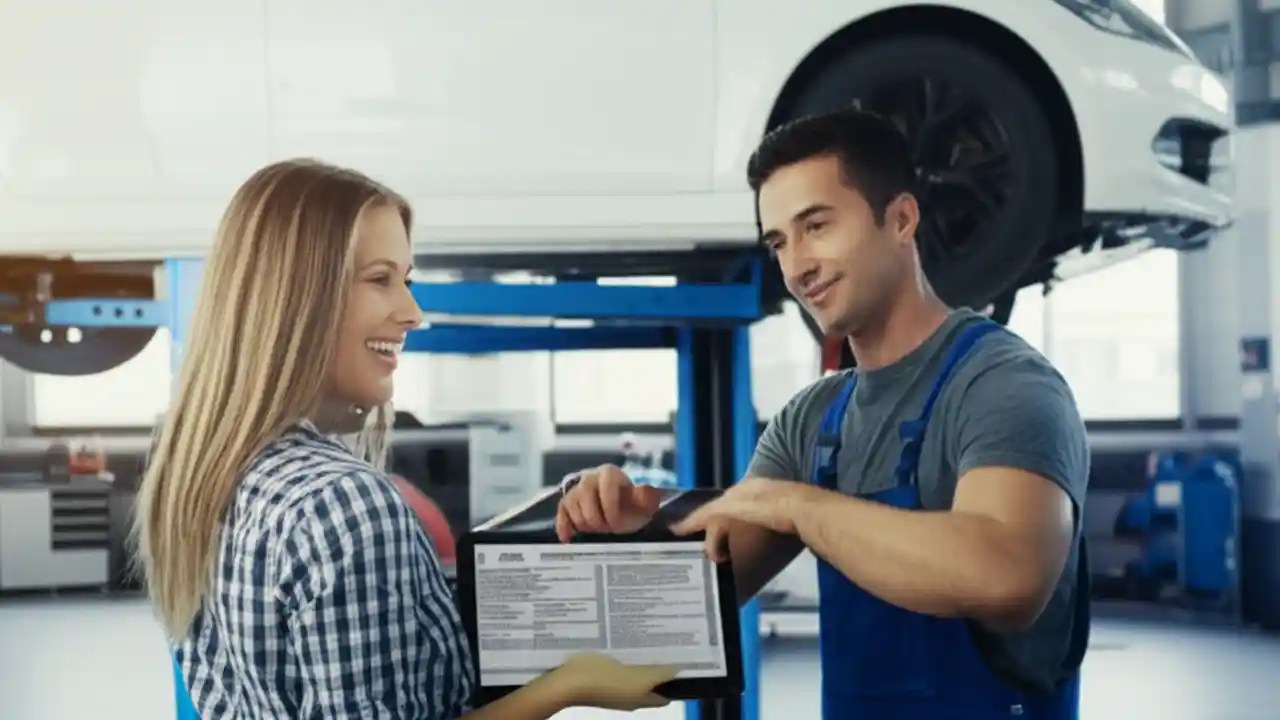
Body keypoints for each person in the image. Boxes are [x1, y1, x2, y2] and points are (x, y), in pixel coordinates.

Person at [555, 108, 1091, 719]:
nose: (796, 266)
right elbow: (704, 589)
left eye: (817, 226)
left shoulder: (1003, 384)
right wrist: (629, 532)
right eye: (779, 242)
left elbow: (1007, 577)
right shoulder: (812, 420)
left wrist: (795, 506)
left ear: (901, 219)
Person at [132, 158, 676, 719]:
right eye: (380, 279)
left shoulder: (197, 481)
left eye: (407, 280)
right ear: (297, 296)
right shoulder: (343, 503)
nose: (412, 312)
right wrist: (568, 685)